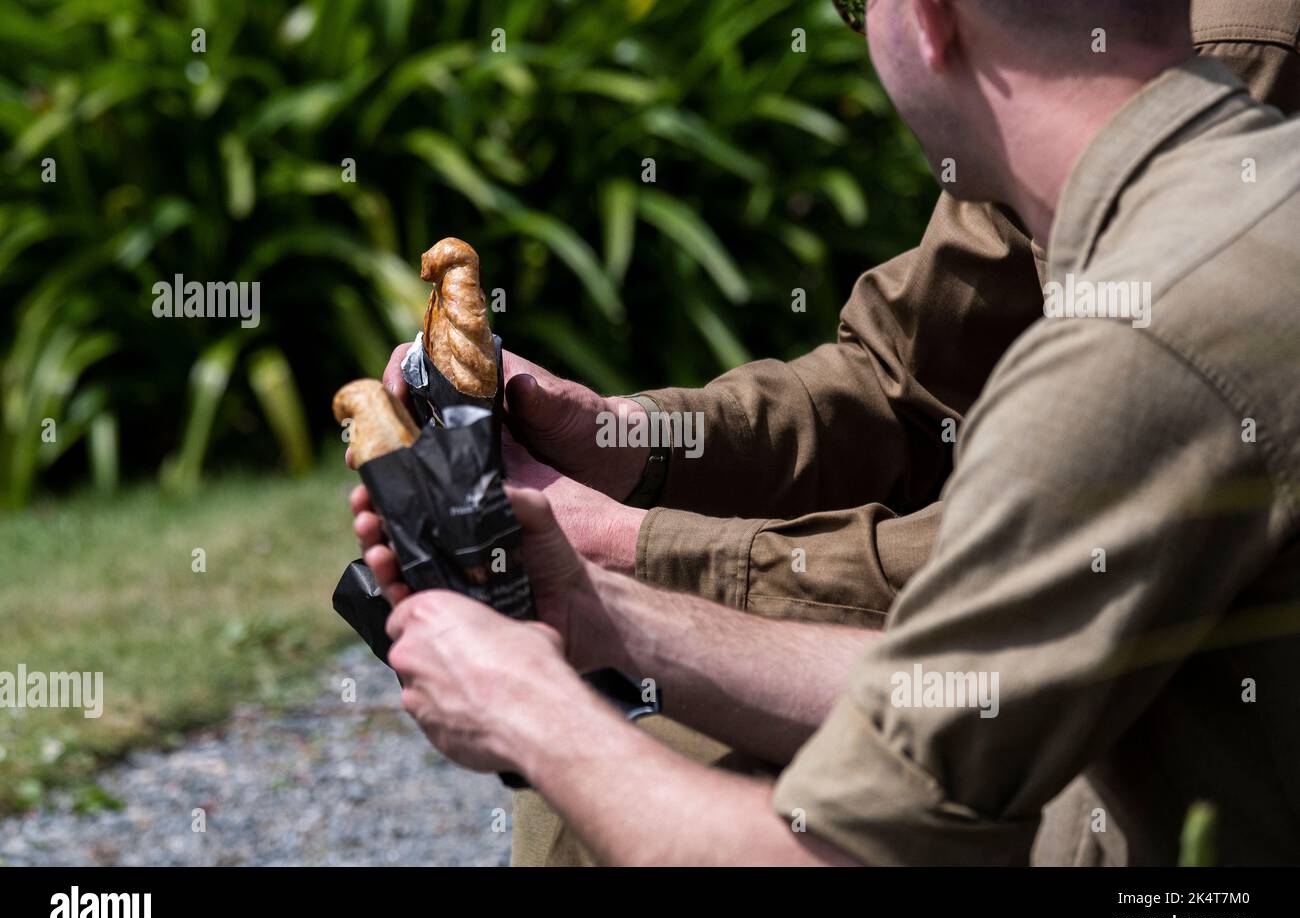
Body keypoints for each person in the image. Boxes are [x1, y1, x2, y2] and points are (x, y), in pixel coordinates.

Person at [355, 0, 1300, 864]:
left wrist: (530, 713)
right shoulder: (1244, 199)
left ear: (928, 19)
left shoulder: (1127, 354)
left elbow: (836, 856)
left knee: (594, 801)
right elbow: (953, 656)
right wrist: (603, 613)